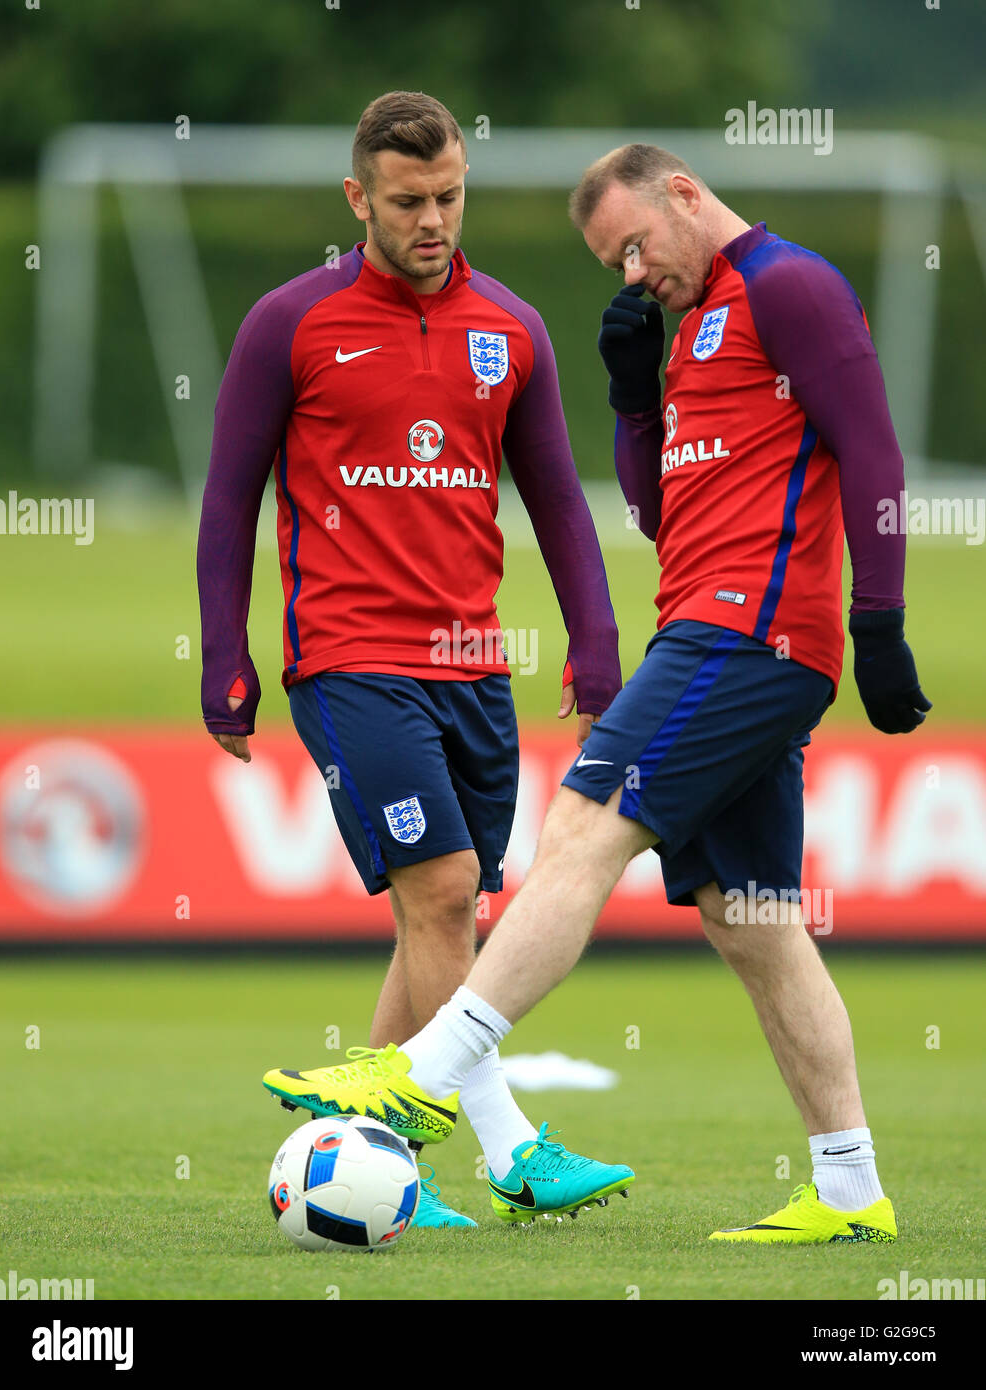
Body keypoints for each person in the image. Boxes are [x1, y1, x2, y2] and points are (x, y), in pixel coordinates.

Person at [270, 143, 933, 1244]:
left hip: (744, 632)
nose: (630, 273)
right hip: (711, 619)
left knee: (581, 819)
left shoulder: (791, 286)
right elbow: (660, 513)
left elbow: (871, 456)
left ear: (682, 193)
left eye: (634, 245)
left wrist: (880, 618)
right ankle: (851, 1189)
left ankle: (427, 1071)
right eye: (610, 261)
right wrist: (636, 403)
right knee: (754, 920)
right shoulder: (699, 322)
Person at [198, 92, 634, 1228]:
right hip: (347, 658)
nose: (431, 220)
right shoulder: (288, 323)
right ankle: (512, 1153)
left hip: (474, 667)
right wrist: (224, 656)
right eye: (406, 202)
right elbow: (227, 498)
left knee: (442, 921)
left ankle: (357, 1162)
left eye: (447, 197)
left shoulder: (513, 329)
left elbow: (558, 505)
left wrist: (594, 650)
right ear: (358, 200)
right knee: (441, 894)